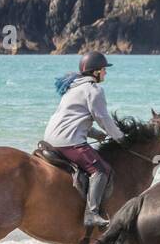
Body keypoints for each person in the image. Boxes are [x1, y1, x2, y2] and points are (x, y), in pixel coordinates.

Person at [44, 52, 123, 230]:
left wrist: (98, 135)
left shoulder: (73, 88)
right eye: (103, 70)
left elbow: (77, 120)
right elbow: (103, 118)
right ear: (95, 72)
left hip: (51, 138)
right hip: (68, 141)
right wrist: (120, 138)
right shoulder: (94, 90)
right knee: (101, 170)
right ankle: (91, 213)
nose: (105, 73)